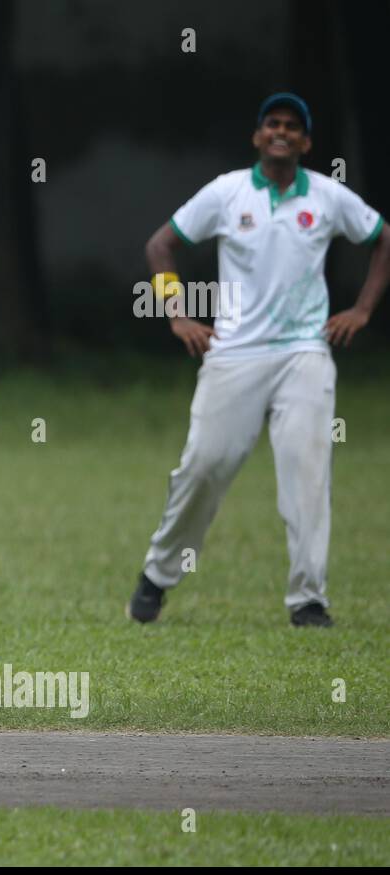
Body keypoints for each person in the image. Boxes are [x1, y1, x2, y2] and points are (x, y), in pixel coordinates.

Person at [127, 93, 389, 627]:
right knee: (204, 466)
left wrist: (362, 311)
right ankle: (157, 574)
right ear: (257, 135)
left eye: (293, 126)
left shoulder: (327, 195)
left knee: (308, 472)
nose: (282, 132)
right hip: (235, 352)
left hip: (304, 352)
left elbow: (383, 239)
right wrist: (177, 315)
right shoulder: (228, 192)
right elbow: (160, 246)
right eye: (273, 123)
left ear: (306, 142)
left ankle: (308, 599)